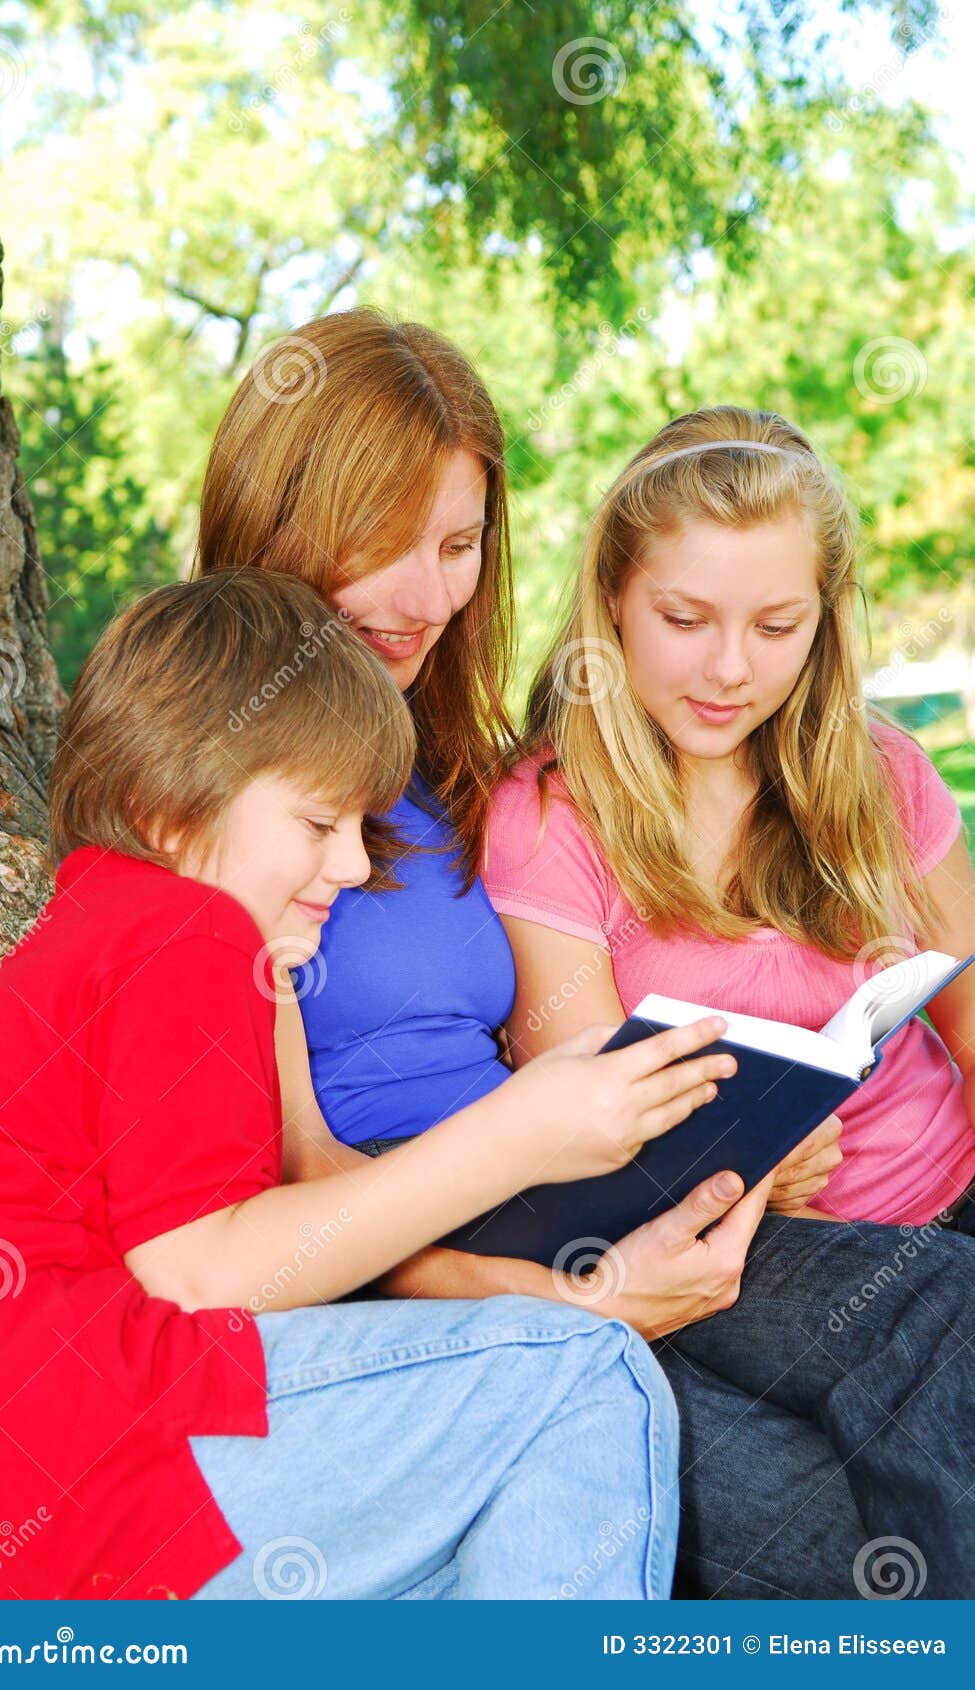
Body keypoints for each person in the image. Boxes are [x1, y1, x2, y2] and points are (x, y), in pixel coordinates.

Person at [196, 312, 975, 1599]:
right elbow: (294, 1185)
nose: (426, 597)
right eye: (380, 544)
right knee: (836, 1521)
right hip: (487, 1258)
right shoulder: (238, 803)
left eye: (456, 546)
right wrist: (568, 1295)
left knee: (890, 1444)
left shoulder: (444, 768)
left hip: (588, 1209)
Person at [0, 569, 690, 1601]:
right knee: (585, 1374)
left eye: (363, 829)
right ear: (166, 810)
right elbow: (199, 1273)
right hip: (75, 1454)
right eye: (320, 825)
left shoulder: (108, 920)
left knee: (466, 1542)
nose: (357, 866)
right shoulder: (184, 929)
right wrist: (519, 1133)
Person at [484, 405, 975, 1231]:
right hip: (768, 1250)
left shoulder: (881, 769)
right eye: (684, 620)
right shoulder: (541, 818)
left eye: (777, 626)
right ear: (611, 597)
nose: (729, 670)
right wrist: (744, 1165)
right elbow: (599, 1134)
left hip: (952, 1170)